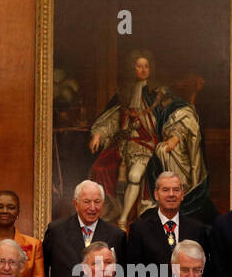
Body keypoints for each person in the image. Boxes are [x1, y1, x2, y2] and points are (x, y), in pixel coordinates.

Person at [87, 49, 207, 227]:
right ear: (132, 69)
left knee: (135, 175)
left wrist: (175, 136)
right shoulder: (124, 95)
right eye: (139, 66)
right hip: (123, 146)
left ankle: (123, 219)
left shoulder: (158, 93)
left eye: (146, 66)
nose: (143, 70)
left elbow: (178, 114)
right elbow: (113, 118)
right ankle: (113, 212)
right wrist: (99, 134)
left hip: (146, 146)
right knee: (100, 167)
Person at [43, 180, 126, 277]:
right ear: (76, 204)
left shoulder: (116, 235)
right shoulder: (56, 231)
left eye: (97, 202)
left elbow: (121, 276)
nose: (92, 207)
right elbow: (44, 270)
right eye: (87, 202)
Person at [123, 171, 210, 274]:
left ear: (182, 195)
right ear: (156, 195)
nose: (171, 194)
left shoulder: (197, 229)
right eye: (165, 190)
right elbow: (133, 273)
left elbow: (204, 270)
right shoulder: (139, 229)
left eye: (176, 190)